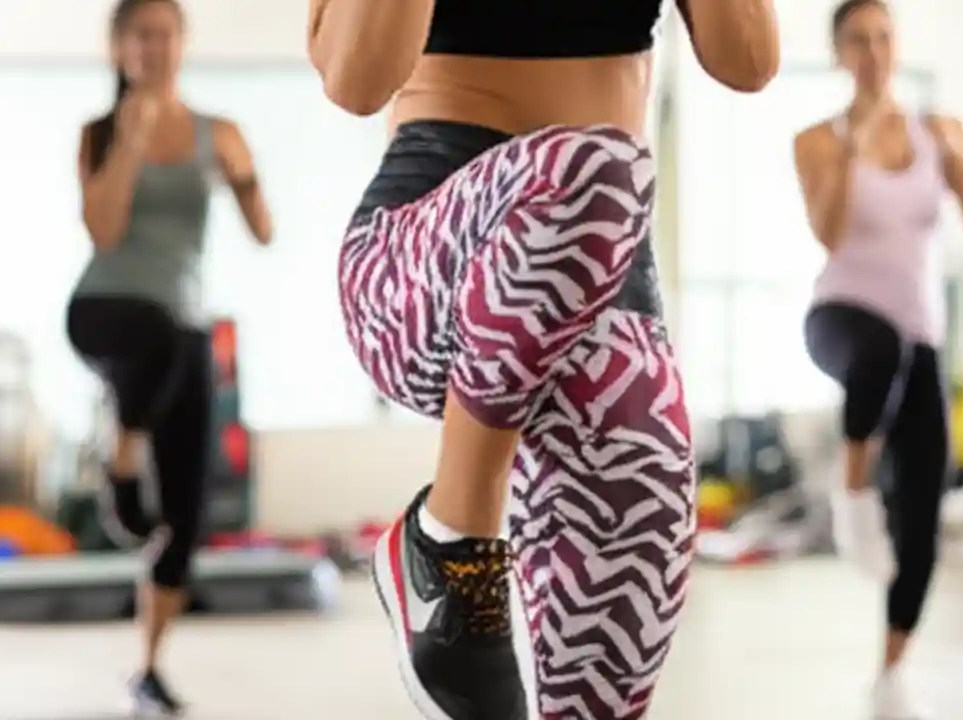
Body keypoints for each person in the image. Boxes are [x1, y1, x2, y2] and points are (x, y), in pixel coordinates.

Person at [310, 2, 778, 718]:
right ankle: (452, 541)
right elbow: (353, 80)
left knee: (643, 518)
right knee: (592, 166)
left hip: (606, 291)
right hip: (419, 272)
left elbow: (749, 62)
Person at [67, 0, 272, 714]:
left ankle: (147, 667)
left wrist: (243, 176)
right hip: (106, 310)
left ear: (182, 45)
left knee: (184, 515)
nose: (152, 48)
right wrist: (130, 140)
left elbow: (264, 232)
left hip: (180, 333)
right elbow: (101, 229)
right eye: (138, 37)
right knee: (160, 338)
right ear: (119, 49)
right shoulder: (98, 131)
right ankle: (122, 455)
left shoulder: (221, 132)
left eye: (163, 35)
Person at [792, 0, 963, 716]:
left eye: (884, 38)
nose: (874, 53)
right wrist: (852, 145)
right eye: (858, 41)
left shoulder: (938, 131)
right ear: (840, 53)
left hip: (923, 341)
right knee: (879, 348)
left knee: (923, 518)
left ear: (896, 46)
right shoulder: (818, 138)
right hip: (841, 321)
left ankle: (891, 669)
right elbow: (828, 233)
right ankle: (851, 492)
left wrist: (957, 156)